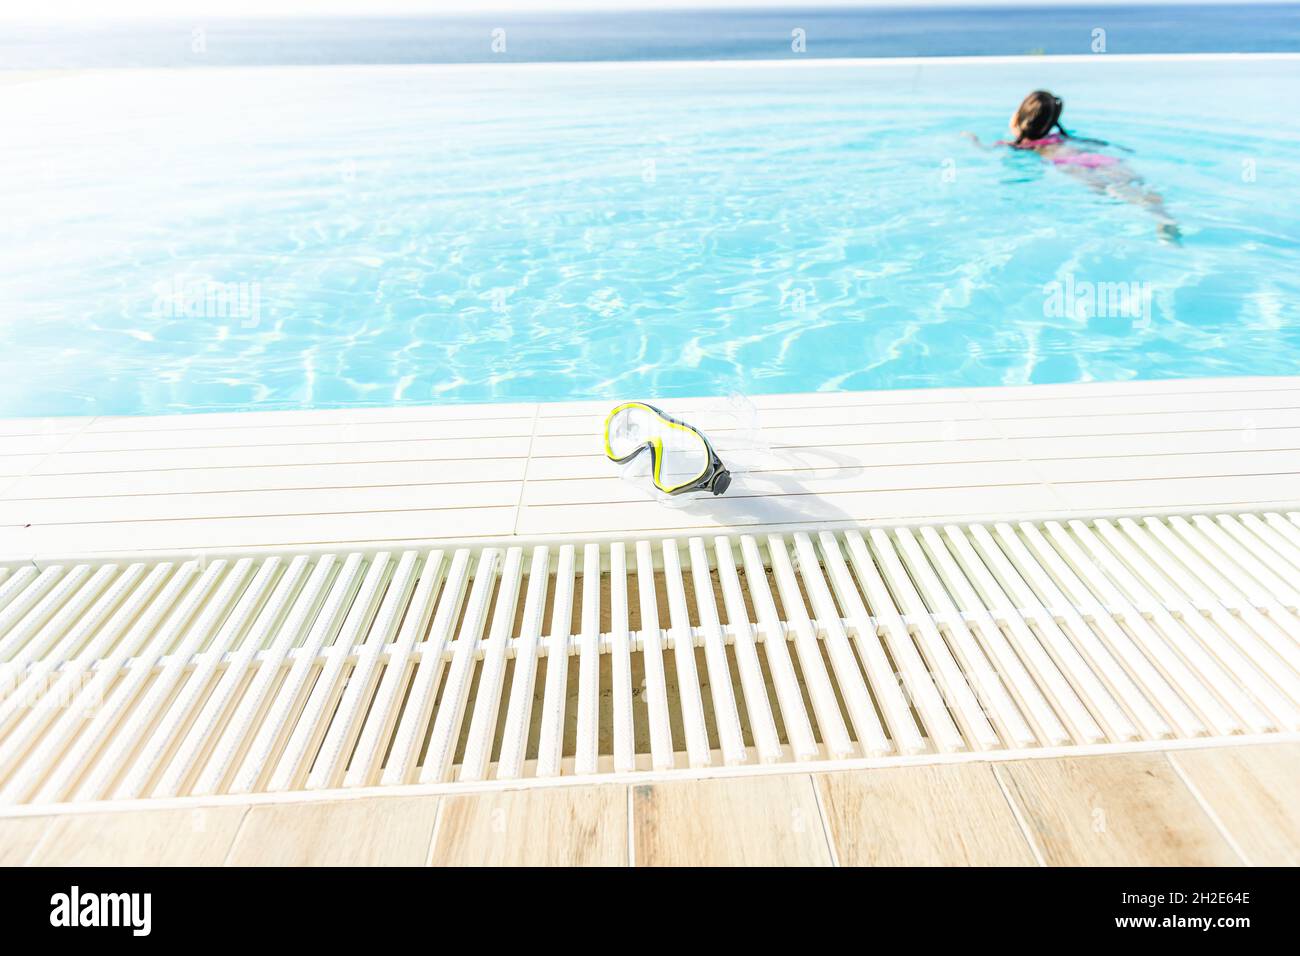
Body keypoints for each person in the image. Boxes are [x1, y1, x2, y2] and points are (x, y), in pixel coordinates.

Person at [963, 90, 1180, 242]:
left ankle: (1157, 216)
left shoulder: (1020, 146)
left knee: (1109, 189)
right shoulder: (1061, 137)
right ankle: (1162, 214)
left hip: (1068, 163)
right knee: (1133, 183)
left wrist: (972, 139)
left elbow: (987, 150)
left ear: (1020, 118)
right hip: (1098, 158)